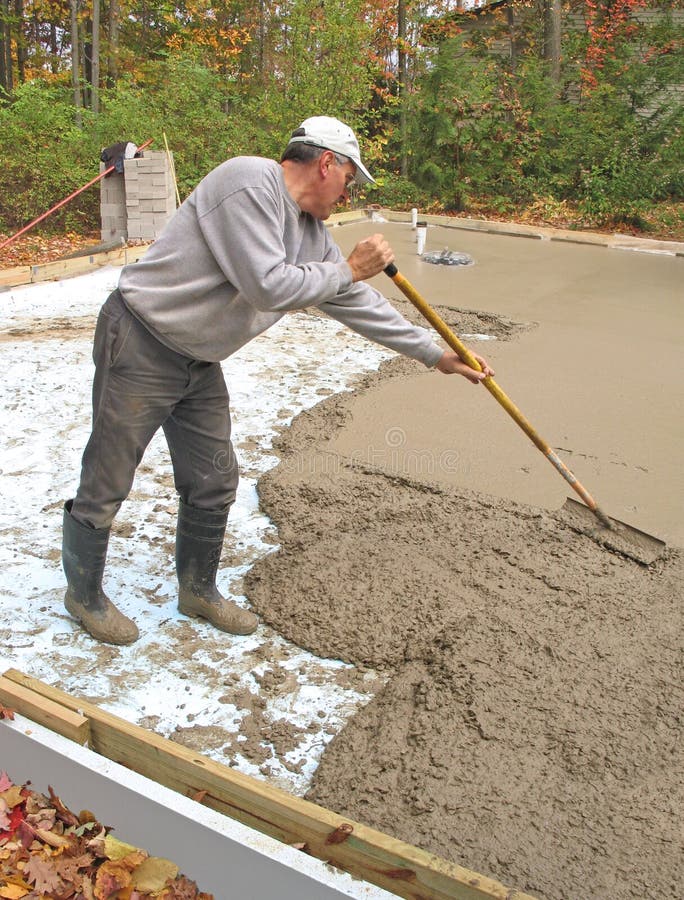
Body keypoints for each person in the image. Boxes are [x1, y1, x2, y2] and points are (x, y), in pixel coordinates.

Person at [63, 115, 493, 645]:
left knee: (214, 479)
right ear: (326, 163)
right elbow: (268, 285)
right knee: (110, 473)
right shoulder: (246, 182)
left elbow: (351, 298)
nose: (348, 191)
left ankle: (197, 589)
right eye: (349, 179)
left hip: (199, 360)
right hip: (141, 340)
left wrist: (435, 354)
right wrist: (349, 269)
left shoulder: (310, 232)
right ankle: (83, 596)